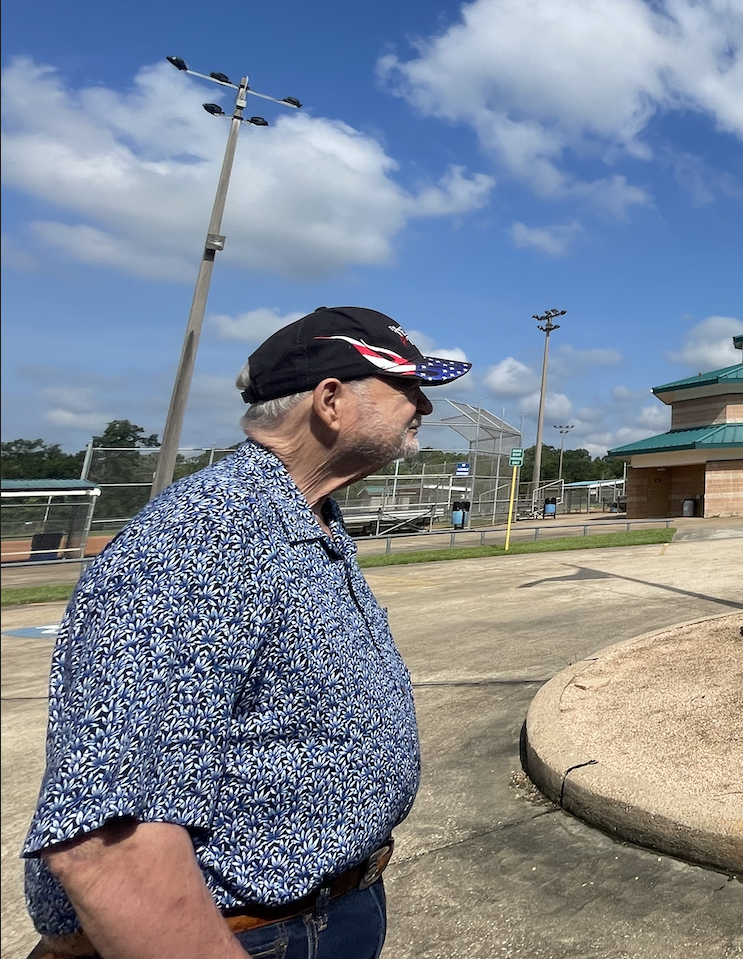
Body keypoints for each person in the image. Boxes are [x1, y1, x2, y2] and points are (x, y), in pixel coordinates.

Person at [21, 308, 471, 959]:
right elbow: (106, 848)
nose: (423, 404)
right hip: (244, 936)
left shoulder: (307, 520)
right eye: (405, 386)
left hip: (320, 914)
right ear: (331, 401)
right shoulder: (199, 544)